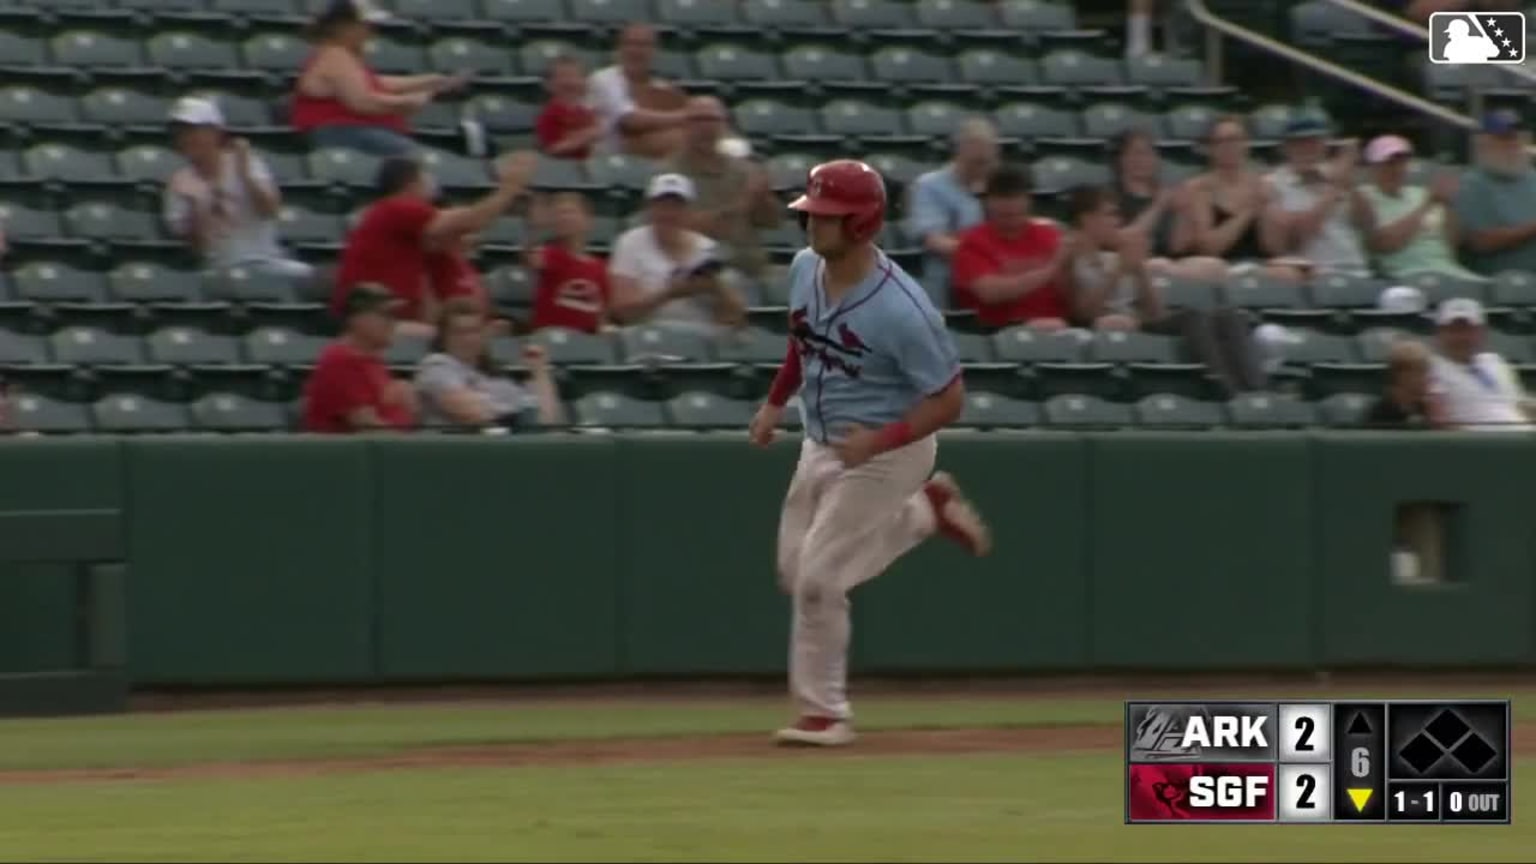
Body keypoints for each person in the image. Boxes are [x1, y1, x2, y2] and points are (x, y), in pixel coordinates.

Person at [746, 159, 992, 748]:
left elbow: (951, 399)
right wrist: (775, 402)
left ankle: (826, 713)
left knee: (819, 582)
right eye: (810, 214)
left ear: (861, 224)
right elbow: (802, 342)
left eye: (825, 217)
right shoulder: (806, 268)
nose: (811, 225)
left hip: (890, 450)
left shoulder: (903, 309)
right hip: (823, 439)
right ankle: (923, 514)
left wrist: (880, 442)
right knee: (793, 574)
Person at [1065, 185, 1267, 396]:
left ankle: (1258, 389)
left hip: (1140, 320)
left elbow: (1156, 313)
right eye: (1109, 214)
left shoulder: (1114, 258)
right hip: (1111, 325)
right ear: (1087, 219)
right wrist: (1118, 271)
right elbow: (1084, 313)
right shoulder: (1073, 260)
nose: (1116, 221)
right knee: (1192, 317)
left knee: (1229, 315)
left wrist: (1140, 269)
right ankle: (1222, 385)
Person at [333, 152, 537, 331]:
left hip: (392, 319)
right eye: (426, 175)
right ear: (412, 183)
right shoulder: (396, 207)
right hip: (367, 319)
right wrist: (508, 190)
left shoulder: (404, 227)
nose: (432, 181)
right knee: (452, 338)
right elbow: (469, 221)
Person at [161, 97, 313, 280]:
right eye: (180, 133)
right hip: (219, 268)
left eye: (194, 131)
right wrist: (198, 208)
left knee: (312, 277)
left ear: (215, 132)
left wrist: (245, 174)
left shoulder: (247, 162)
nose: (186, 138)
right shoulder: (179, 183)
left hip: (265, 260)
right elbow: (196, 247)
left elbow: (270, 211)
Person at [289, 0, 465, 156]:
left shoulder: (345, 57)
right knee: (421, 162)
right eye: (367, 26)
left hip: (364, 133)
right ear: (343, 27)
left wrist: (431, 81)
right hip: (345, 134)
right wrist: (408, 102)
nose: (372, 32)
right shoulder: (335, 56)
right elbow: (363, 102)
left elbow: (376, 83)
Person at [608, 173, 747, 331]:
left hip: (701, 337)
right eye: (662, 205)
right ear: (650, 209)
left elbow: (736, 317)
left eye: (677, 206)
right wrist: (670, 294)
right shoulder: (630, 243)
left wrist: (715, 287)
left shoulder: (708, 249)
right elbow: (622, 313)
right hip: (649, 334)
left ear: (689, 211)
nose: (669, 213)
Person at [667, 96, 781, 287]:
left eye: (713, 120)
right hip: (699, 271)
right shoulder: (671, 172)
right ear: (685, 125)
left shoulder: (743, 169)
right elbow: (679, 227)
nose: (706, 127)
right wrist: (742, 204)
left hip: (751, 266)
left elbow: (771, 222)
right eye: (699, 120)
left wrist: (763, 197)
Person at [950, 164, 1071, 331]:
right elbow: (990, 293)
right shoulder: (972, 242)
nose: (1012, 218)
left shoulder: (1050, 235)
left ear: (1028, 201)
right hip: (1000, 330)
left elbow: (1071, 295)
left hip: (1059, 328)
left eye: (1017, 213)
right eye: (1005, 215)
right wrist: (1050, 270)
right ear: (989, 203)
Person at [414, 298, 565, 429]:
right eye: (459, 332)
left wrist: (540, 372)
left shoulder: (495, 377)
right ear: (444, 337)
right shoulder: (436, 366)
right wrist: (517, 408)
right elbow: (470, 412)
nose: (468, 339)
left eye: (474, 331)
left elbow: (546, 420)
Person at [1184, 116, 1299, 280]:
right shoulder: (1197, 189)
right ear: (1211, 148)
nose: (1230, 147)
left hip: (1259, 266)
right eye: (1222, 141)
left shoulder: (1264, 185)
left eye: (1235, 140)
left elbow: (1276, 247)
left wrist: (1267, 213)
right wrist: (1249, 211)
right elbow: (1208, 247)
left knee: (1290, 273)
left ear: (1246, 144)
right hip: (1216, 268)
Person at [1356, 134, 1483, 282]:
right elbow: (1383, 244)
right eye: (1389, 163)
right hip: (1404, 275)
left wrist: (1448, 205)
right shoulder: (1363, 196)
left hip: (1447, 270)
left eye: (1402, 163)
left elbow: (1452, 244)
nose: (1397, 169)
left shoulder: (1420, 193)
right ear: (1373, 167)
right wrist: (1428, 204)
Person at [1262, 116, 1372, 278]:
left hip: (1357, 269)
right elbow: (1294, 238)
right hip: (1313, 274)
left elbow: (1369, 225)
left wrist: (1351, 186)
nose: (1308, 148)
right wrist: (1335, 188)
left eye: (1314, 141)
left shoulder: (1338, 174)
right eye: (1300, 142)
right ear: (1286, 147)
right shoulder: (1272, 184)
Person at [1109, 129, 1225, 282]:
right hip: (1128, 262)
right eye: (1137, 153)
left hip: (1169, 263)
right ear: (1121, 159)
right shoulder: (1110, 195)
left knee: (1214, 266)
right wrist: (1158, 205)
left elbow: (1177, 246)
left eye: (1149, 153)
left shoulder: (1166, 192)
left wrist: (1184, 211)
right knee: (1156, 266)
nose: (1144, 159)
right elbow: (1125, 239)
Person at [302, 283, 416, 433]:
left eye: (394, 316)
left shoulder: (371, 359)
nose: (392, 323)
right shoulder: (341, 360)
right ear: (356, 319)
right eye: (385, 315)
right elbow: (369, 429)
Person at [905, 118, 997, 297]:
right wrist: (987, 253)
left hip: (994, 272)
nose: (983, 169)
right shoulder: (929, 185)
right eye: (976, 162)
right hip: (947, 275)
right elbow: (935, 241)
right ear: (959, 153)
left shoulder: (996, 182)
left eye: (987, 162)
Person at [1428, 297, 1535, 431]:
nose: (1462, 338)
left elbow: (1520, 404)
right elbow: (1441, 424)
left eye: (1468, 330)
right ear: (1440, 334)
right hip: (1483, 446)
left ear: (1481, 333)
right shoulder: (1431, 369)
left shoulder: (1495, 361)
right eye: (1454, 330)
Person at [586, 24, 689, 159]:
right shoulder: (603, 79)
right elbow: (630, 120)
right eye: (631, 44)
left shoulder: (663, 87)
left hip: (651, 156)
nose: (637, 51)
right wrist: (684, 116)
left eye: (644, 45)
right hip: (609, 157)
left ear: (654, 50)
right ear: (620, 48)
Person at [1455, 110, 1536, 276]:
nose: (1513, 143)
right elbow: (1480, 242)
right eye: (1504, 138)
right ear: (1483, 142)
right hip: (1497, 283)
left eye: (1517, 137)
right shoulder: (1471, 184)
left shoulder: (1532, 177)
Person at [527, 192, 610, 333]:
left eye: (570, 212)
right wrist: (537, 227)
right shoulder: (550, 254)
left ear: (587, 220)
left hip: (586, 340)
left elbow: (601, 311)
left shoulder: (599, 267)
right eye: (559, 214)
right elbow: (533, 259)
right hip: (550, 337)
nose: (565, 218)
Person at [1366, 338, 1445, 428]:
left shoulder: (1428, 410)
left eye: (1426, 371)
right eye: (1421, 371)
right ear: (1402, 375)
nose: (1427, 377)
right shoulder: (1379, 414)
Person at [535, 55, 601, 160]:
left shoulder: (586, 112)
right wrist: (584, 138)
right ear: (548, 84)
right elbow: (551, 150)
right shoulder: (549, 114)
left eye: (575, 76)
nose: (570, 81)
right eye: (563, 76)